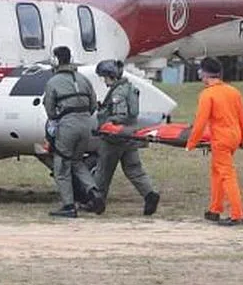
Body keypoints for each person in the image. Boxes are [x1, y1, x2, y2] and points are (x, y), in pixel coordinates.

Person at [184, 56, 243, 226]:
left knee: (226, 175)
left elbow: (200, 122)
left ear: (205, 73)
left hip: (221, 139)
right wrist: (242, 138)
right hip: (234, 136)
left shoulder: (207, 94)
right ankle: (215, 209)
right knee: (217, 173)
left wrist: (191, 143)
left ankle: (237, 214)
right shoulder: (233, 91)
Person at [42, 45, 104, 218]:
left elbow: (50, 110)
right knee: (77, 162)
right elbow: (93, 104)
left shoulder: (53, 82)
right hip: (86, 125)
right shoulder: (83, 79)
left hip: (68, 126)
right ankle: (94, 192)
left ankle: (69, 206)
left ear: (55, 61)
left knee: (61, 166)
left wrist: (58, 119)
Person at [95, 59, 160, 216]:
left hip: (114, 138)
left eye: (104, 77)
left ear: (111, 76)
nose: (104, 81)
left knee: (103, 171)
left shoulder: (118, 93)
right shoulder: (130, 88)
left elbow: (120, 115)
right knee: (134, 169)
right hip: (130, 135)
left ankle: (97, 202)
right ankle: (149, 194)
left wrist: (106, 121)